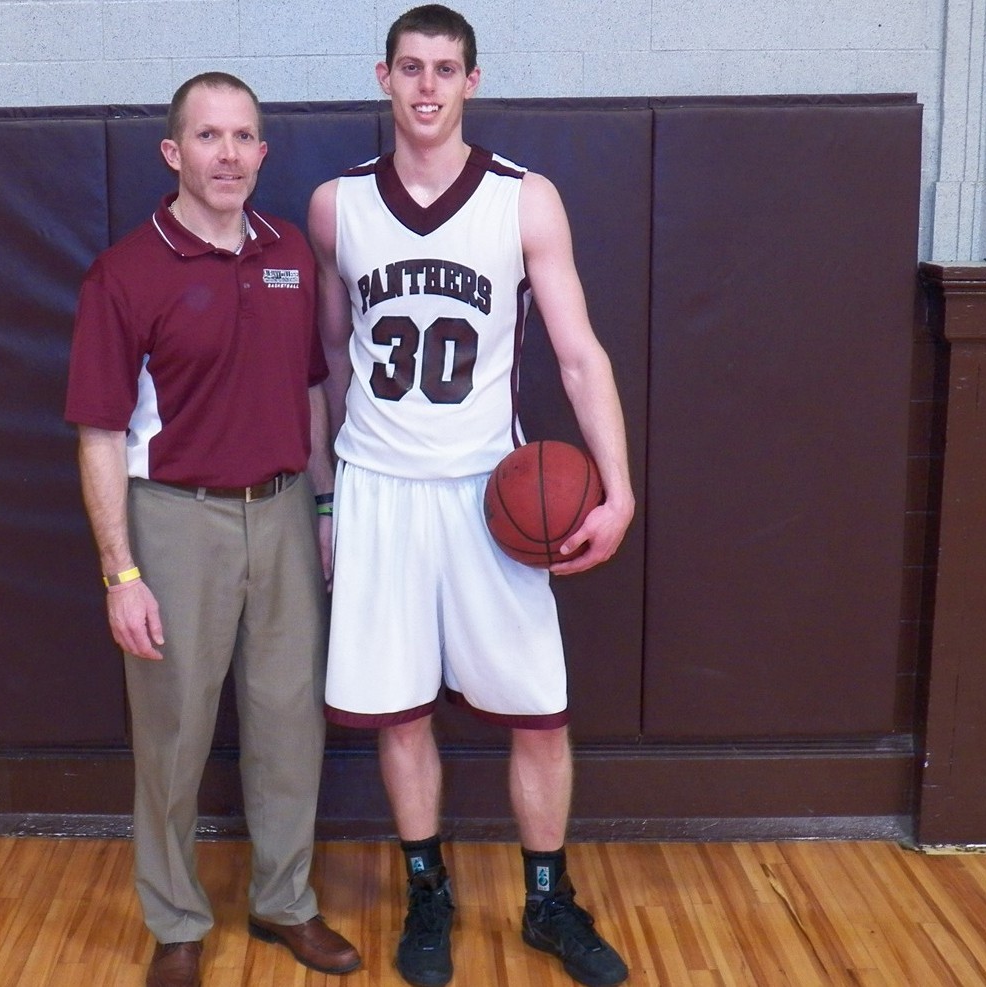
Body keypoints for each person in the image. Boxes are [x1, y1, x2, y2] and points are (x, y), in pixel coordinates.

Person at [308, 7, 636, 987]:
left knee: (539, 714)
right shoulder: (335, 206)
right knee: (400, 715)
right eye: (410, 68)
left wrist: (618, 491)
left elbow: (578, 357)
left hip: (489, 494)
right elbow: (327, 361)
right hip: (377, 488)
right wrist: (326, 500)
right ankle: (428, 893)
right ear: (383, 77)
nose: (426, 87)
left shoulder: (524, 200)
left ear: (471, 82)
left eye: (444, 69)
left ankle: (547, 901)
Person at [65, 72, 360, 987]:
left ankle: (285, 900)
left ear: (262, 152)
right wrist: (121, 573)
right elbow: (100, 433)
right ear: (174, 152)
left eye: (242, 137)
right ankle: (177, 918)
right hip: (175, 521)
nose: (227, 154)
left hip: (283, 511)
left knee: (289, 722)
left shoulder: (288, 252)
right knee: (173, 732)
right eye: (207, 136)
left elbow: (312, 392)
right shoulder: (125, 273)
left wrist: (322, 508)